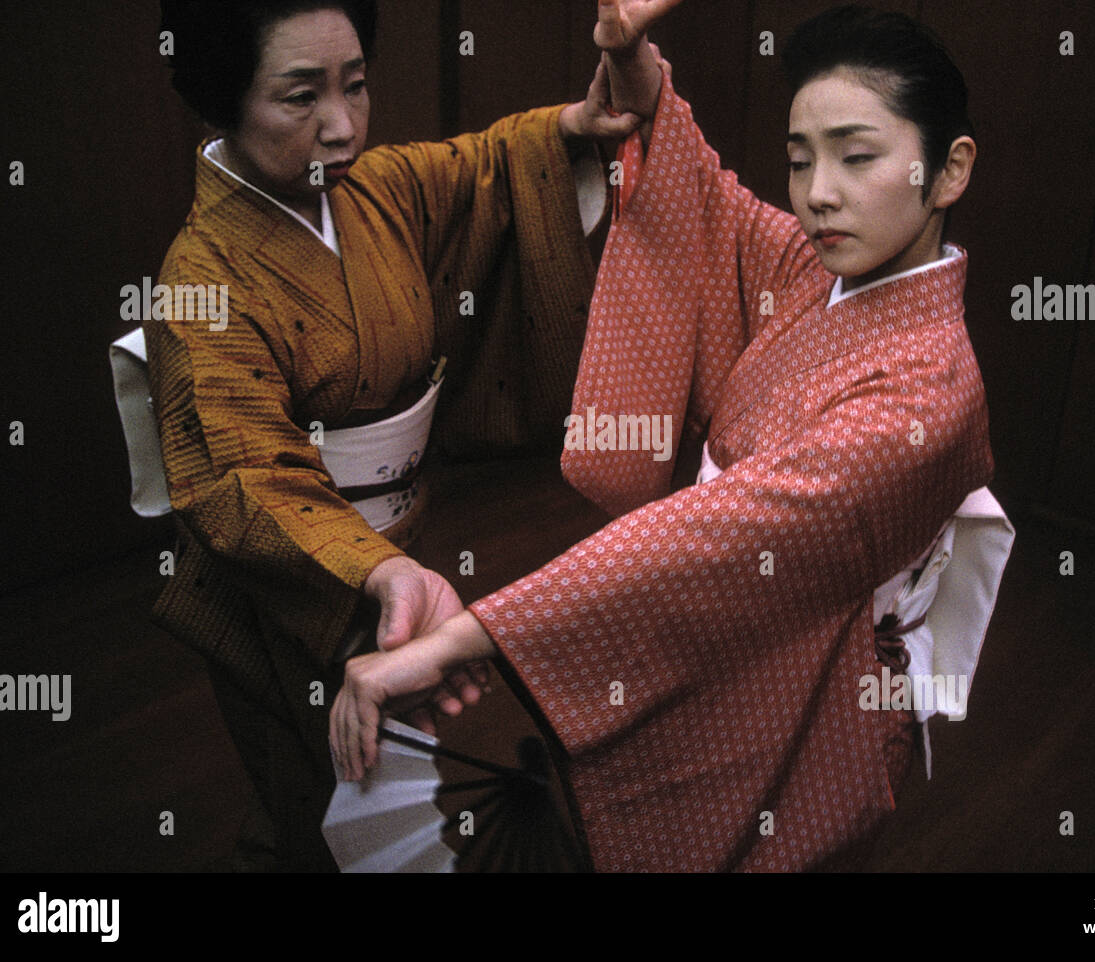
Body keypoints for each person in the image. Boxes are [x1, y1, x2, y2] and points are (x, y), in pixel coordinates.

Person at [332, 2, 1004, 872]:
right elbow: (707, 194)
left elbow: (702, 544)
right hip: (728, 619)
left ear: (948, 171)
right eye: (801, 161)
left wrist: (463, 641)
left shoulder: (927, 394)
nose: (818, 193)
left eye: (858, 156)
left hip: (812, 673)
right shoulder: (822, 270)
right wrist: (630, 58)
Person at [144, 0, 647, 871]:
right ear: (223, 100)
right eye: (300, 98)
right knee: (311, 790)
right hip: (290, 584)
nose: (341, 127)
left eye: (357, 86)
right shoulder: (202, 278)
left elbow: (485, 165)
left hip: (398, 549)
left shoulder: (374, 191)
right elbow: (245, 475)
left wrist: (571, 126)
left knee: (390, 775)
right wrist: (379, 572)